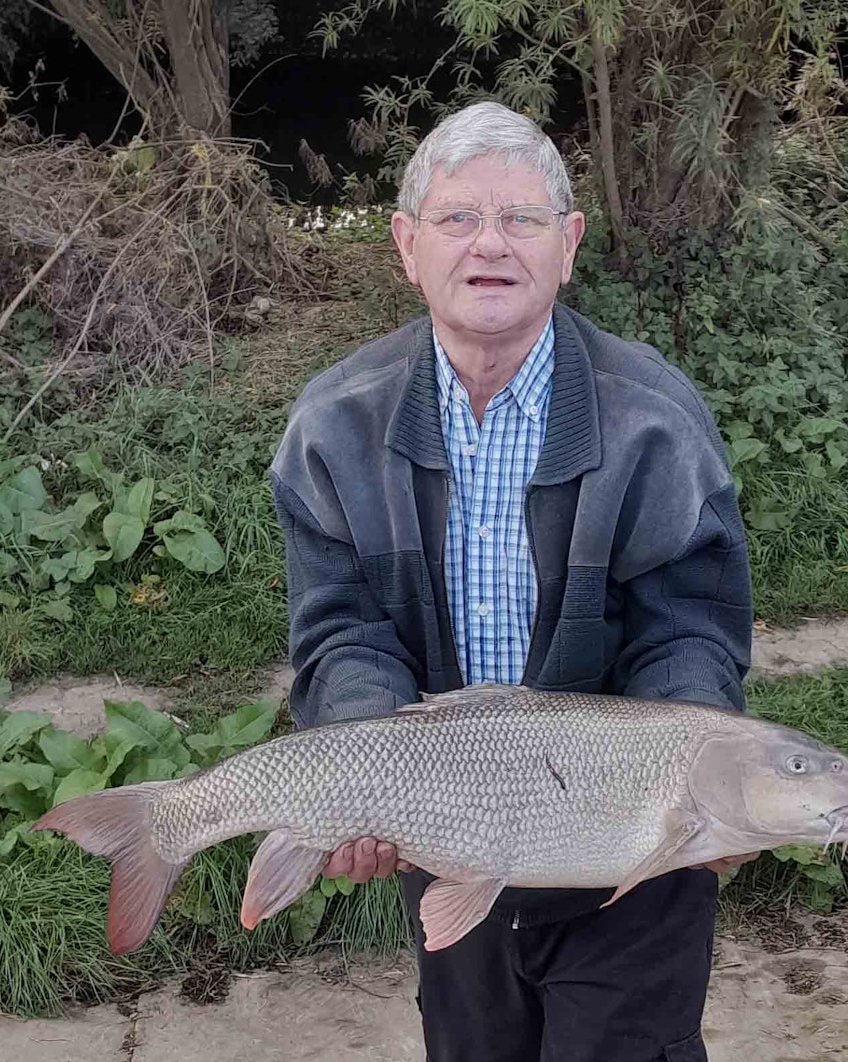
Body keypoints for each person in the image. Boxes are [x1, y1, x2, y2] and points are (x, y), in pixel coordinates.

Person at [269, 100, 755, 1062]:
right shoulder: (334, 426)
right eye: (457, 219)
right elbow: (339, 633)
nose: (490, 243)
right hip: (452, 832)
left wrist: (703, 786)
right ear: (407, 245)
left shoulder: (653, 417)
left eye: (523, 219)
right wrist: (364, 769)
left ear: (568, 245)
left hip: (632, 858)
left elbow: (688, 633)